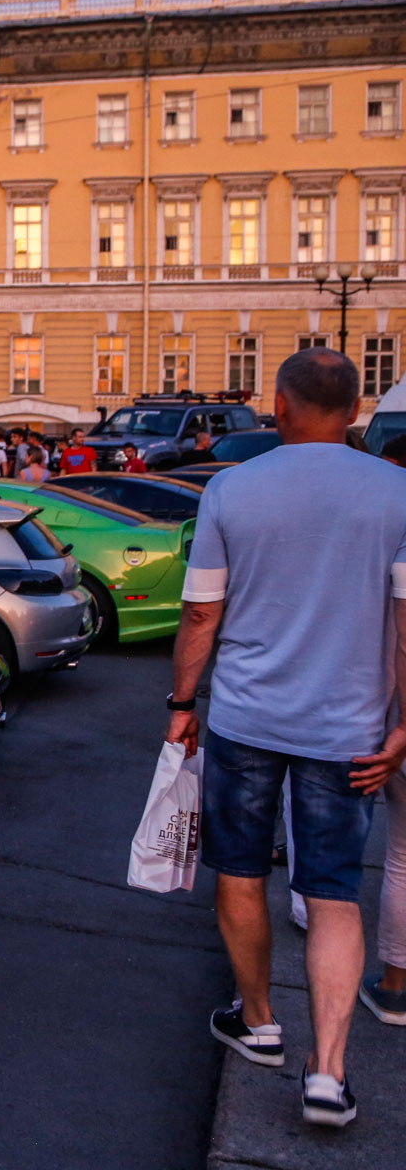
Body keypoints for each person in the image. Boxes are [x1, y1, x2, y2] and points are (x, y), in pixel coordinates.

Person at [167, 349, 406, 1128]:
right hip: (350, 729)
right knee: (334, 890)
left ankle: (260, 1020)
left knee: (240, 871)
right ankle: (330, 1074)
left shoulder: (234, 488)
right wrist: (404, 728)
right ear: (357, 412)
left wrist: (181, 702)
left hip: (246, 718)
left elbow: (203, 611)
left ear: (279, 404)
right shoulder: (399, 492)